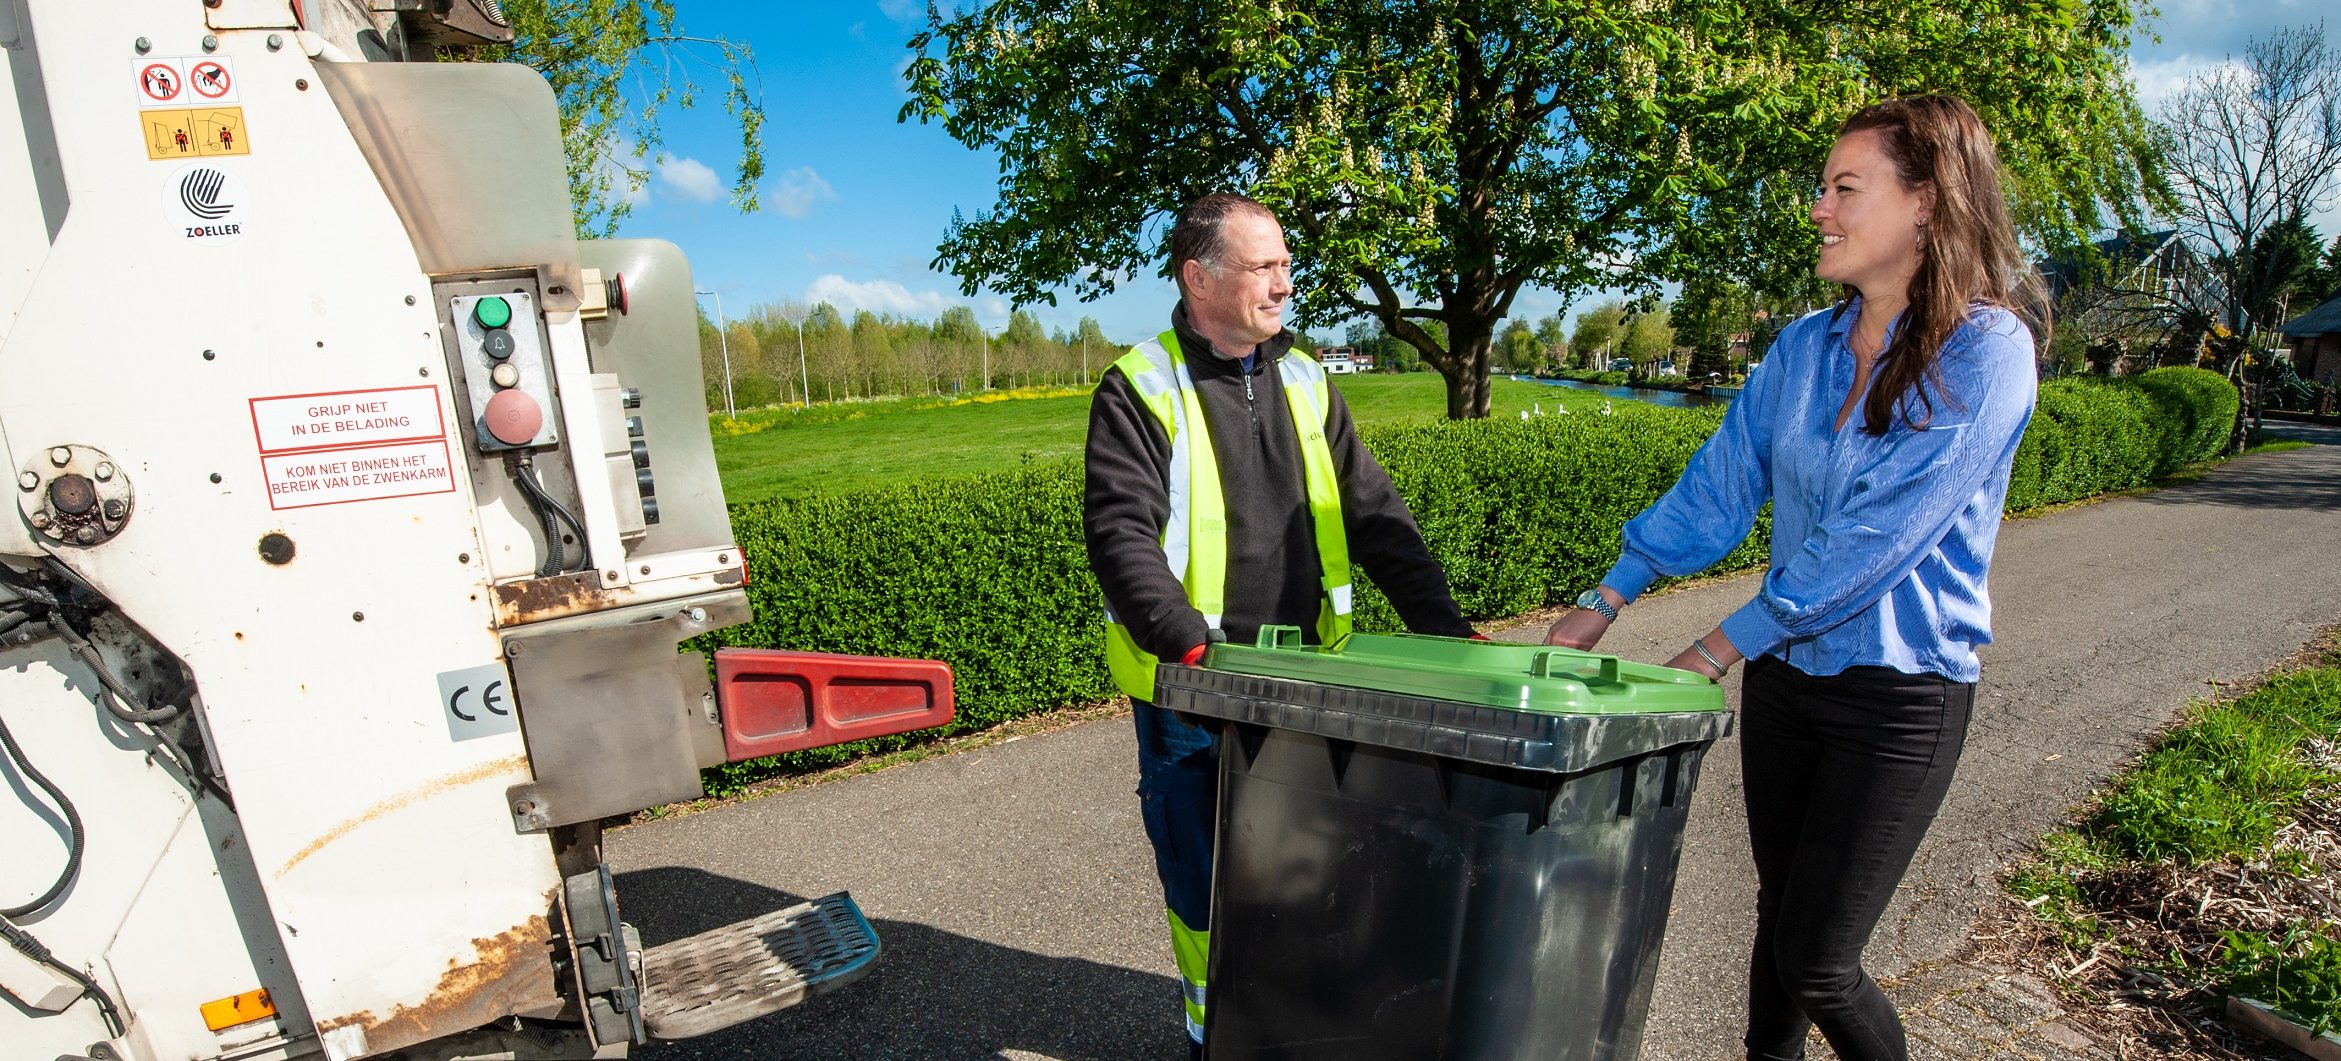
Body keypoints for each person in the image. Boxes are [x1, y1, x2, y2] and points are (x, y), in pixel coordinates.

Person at [1546, 95, 2043, 1061]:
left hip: (1899, 695)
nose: (1818, 207)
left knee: (1820, 960)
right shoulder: (1803, 347)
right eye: (1821, 186)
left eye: (1843, 188)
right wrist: (1609, 595)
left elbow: (1873, 541)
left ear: (1928, 204)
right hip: (1789, 686)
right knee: (1780, 926)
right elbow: (1721, 480)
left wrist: (1712, 646)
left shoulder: (1988, 351)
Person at [1084, 193, 1478, 1059]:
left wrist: (1445, 631)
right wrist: (1197, 651)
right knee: (1207, 885)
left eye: (1286, 265)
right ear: (1199, 277)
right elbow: (1121, 537)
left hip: (1309, 690)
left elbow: (1373, 515)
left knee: (1315, 877)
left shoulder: (1305, 378)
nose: (1284, 283)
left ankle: (1301, 1032)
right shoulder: (1138, 388)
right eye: (1264, 265)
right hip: (1195, 695)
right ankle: (1213, 1036)